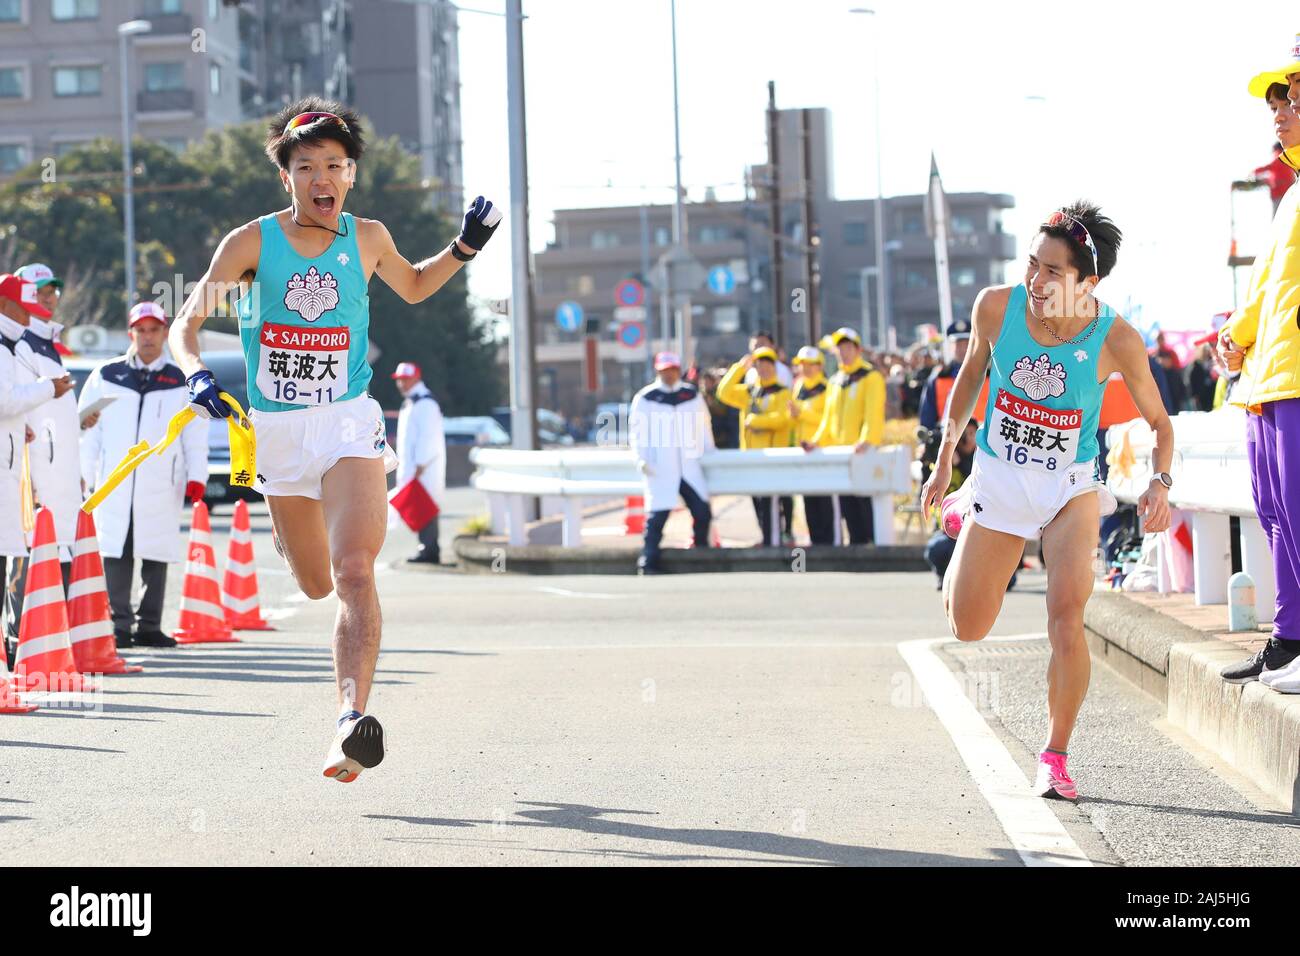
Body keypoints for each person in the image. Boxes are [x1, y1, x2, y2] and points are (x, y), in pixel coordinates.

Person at [167, 98, 501, 783]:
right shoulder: (251, 243)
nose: (323, 177)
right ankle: (302, 551)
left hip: (348, 419)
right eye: (307, 165)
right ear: (286, 176)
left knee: (354, 571)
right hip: (278, 434)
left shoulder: (368, 237)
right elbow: (184, 325)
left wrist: (463, 247)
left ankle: (351, 721)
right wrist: (196, 374)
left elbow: (411, 287)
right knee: (316, 583)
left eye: (335, 166)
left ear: (349, 176)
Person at [921, 201, 1173, 801]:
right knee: (968, 628)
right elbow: (971, 377)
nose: (1035, 282)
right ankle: (967, 505)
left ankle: (1056, 755)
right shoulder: (995, 306)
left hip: (1070, 487)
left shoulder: (1116, 338)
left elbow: (1161, 424)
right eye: (1032, 265)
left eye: (1052, 273)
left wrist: (1160, 485)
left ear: (1089, 281)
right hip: (1000, 479)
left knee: (1066, 614)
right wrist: (943, 458)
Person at [1217, 49, 1300, 689]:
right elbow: (1269, 290)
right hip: (1267, 379)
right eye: (1276, 105)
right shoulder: (1291, 196)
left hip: (1294, 377)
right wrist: (1234, 337)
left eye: (1291, 101)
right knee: (1276, 512)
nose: (1280, 115)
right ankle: (1290, 638)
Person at [79, 302, 208, 649]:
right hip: (114, 482)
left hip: (161, 481)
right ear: (130, 334)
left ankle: (149, 625)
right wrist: (83, 475)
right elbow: (88, 431)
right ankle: (118, 624)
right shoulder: (106, 376)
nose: (148, 337)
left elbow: (194, 435)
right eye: (141, 330)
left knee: (156, 551)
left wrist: (198, 476)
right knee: (115, 550)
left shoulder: (180, 379)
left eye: (154, 330)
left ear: (165, 334)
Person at [5, 262, 82, 651]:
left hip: (56, 469)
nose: (48, 297)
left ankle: (46, 643)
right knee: (25, 555)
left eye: (52, 289)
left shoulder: (44, 344)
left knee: (52, 552)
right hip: (29, 468)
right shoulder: (17, 345)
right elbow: (16, 405)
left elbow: (47, 413)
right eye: (39, 292)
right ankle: (24, 645)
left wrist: (79, 422)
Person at [630, 351, 714, 575]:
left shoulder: (690, 394)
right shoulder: (646, 398)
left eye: (673, 370)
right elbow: (638, 432)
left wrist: (710, 451)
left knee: (702, 511)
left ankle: (702, 555)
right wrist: (642, 458)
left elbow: (704, 425)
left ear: (679, 370)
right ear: (658, 371)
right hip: (661, 466)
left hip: (689, 466)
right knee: (657, 517)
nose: (669, 374)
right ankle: (648, 562)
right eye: (665, 370)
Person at [802, 326, 886, 545]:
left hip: (862, 452)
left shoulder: (870, 376)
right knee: (848, 507)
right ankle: (857, 549)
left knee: (865, 506)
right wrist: (815, 442)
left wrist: (867, 440)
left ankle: (874, 551)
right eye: (840, 348)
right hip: (840, 455)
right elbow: (828, 421)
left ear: (858, 350)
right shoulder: (835, 381)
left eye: (848, 347)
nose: (844, 352)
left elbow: (873, 413)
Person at [717, 345, 793, 546]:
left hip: (773, 457)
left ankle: (775, 539)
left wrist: (756, 421)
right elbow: (723, 392)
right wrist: (740, 368)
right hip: (751, 457)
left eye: (768, 363)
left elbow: (783, 420)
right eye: (760, 364)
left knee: (772, 502)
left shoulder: (782, 392)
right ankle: (767, 537)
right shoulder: (750, 392)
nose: (764, 368)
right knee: (757, 501)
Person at [919, 319, 989, 483]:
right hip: (947, 448)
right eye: (957, 344)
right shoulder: (938, 378)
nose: (962, 349)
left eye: (966, 343)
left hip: (981, 450)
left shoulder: (990, 376)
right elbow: (927, 418)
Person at [390, 361, 446, 565]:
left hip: (424, 468)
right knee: (420, 507)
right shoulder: (413, 402)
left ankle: (429, 550)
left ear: (416, 378)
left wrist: (420, 465)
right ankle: (427, 548)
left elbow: (428, 437)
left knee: (426, 507)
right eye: (400, 380)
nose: (402, 384)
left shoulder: (425, 403)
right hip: (415, 467)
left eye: (405, 379)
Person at [789, 346, 834, 545]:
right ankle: (816, 542)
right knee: (809, 500)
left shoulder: (827, 387)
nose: (805, 368)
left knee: (825, 499)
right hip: (803, 451)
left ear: (819, 366)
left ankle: (830, 542)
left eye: (810, 365)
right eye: (802, 365)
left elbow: (828, 420)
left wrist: (802, 413)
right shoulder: (798, 387)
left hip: (822, 450)